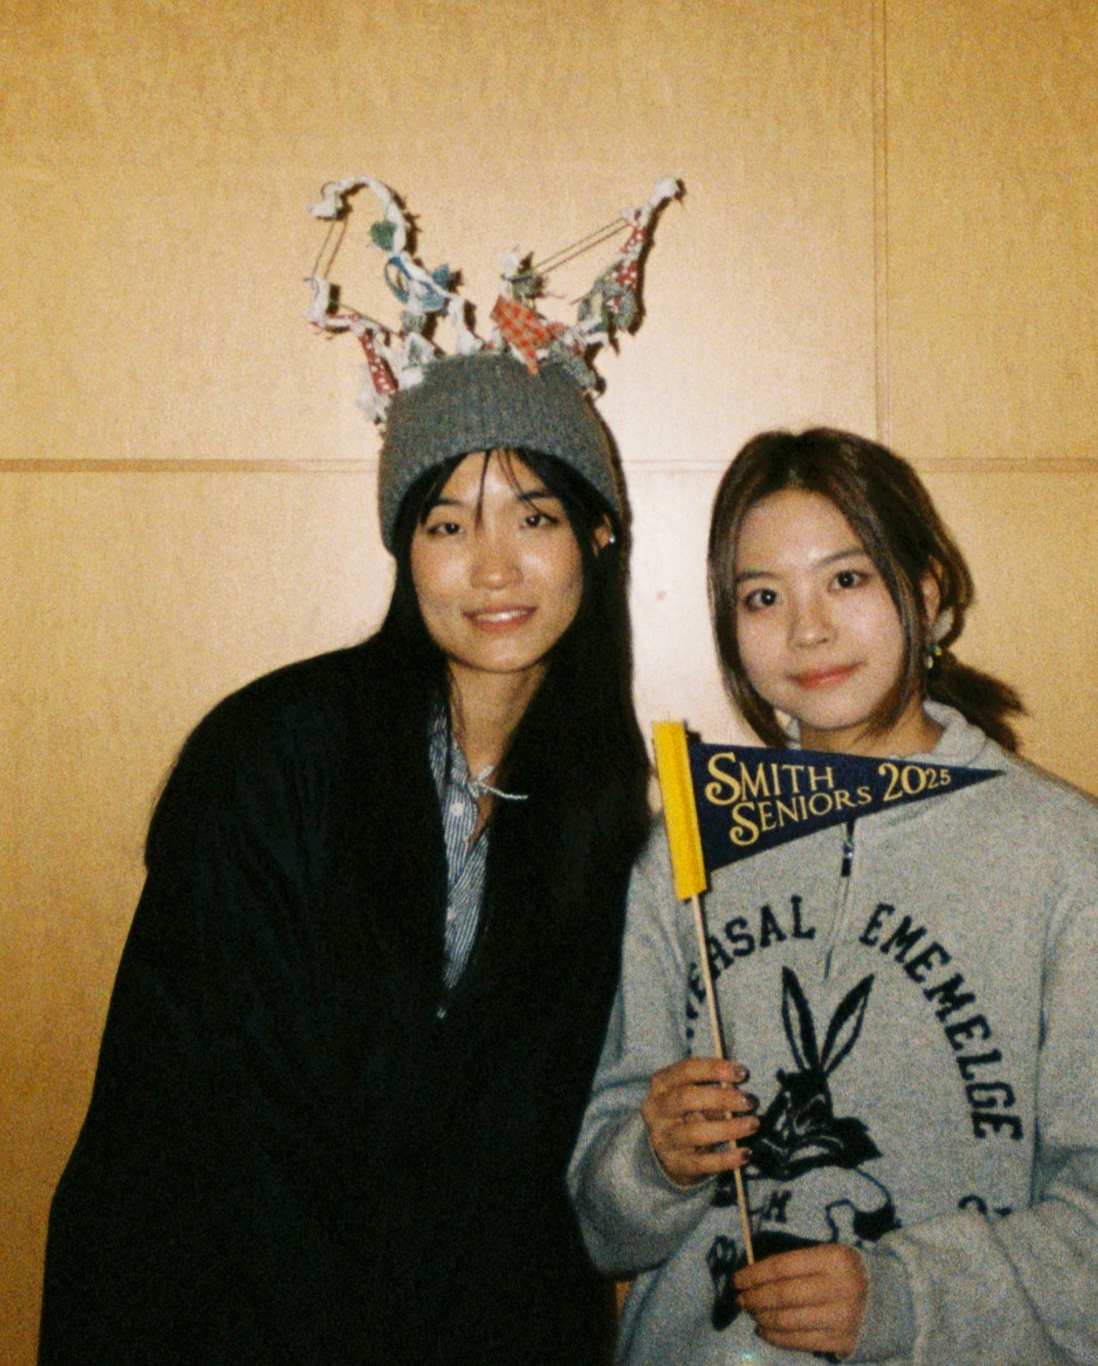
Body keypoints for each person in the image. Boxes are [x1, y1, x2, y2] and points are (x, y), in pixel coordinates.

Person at [41, 181, 673, 1366]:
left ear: (596, 535)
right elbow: (170, 1125)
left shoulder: (607, 806)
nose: (494, 565)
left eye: (533, 513)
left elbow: (542, 1177)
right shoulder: (275, 756)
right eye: (446, 522)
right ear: (402, 550)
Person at [570, 428, 1098, 1366]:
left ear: (931, 592)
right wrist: (649, 1161)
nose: (808, 628)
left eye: (848, 579)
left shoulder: (1069, 860)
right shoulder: (684, 856)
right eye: (762, 596)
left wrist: (904, 1298)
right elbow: (599, 1224)